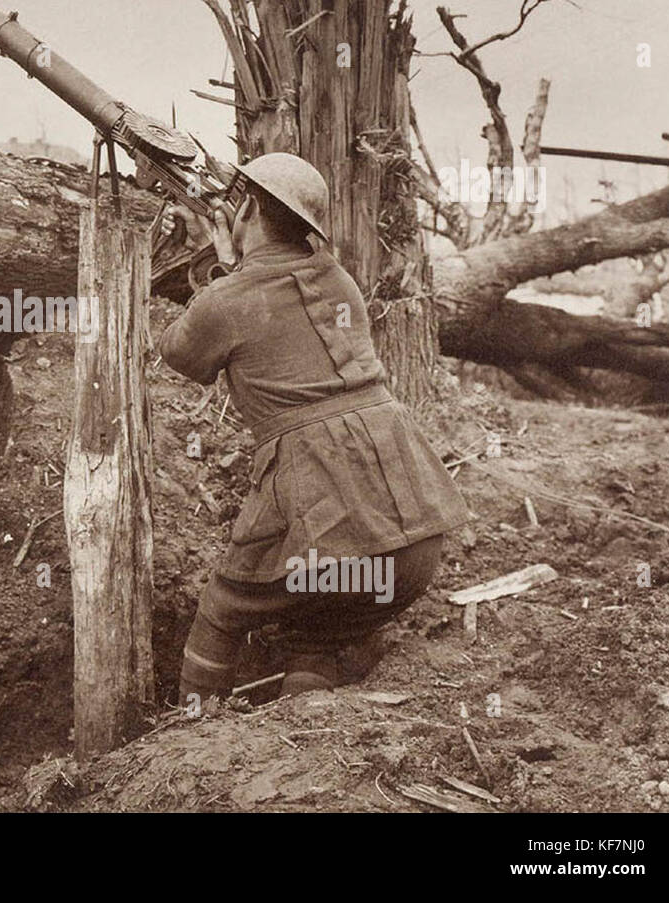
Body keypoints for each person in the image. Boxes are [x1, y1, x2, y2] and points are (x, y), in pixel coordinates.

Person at [158, 153, 469, 705]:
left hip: (324, 504)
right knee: (321, 627)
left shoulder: (223, 302)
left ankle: (188, 732)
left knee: (225, 607)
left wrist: (219, 275)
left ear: (247, 206)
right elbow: (281, 290)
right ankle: (305, 716)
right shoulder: (339, 279)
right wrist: (236, 266)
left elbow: (182, 355)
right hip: (415, 539)